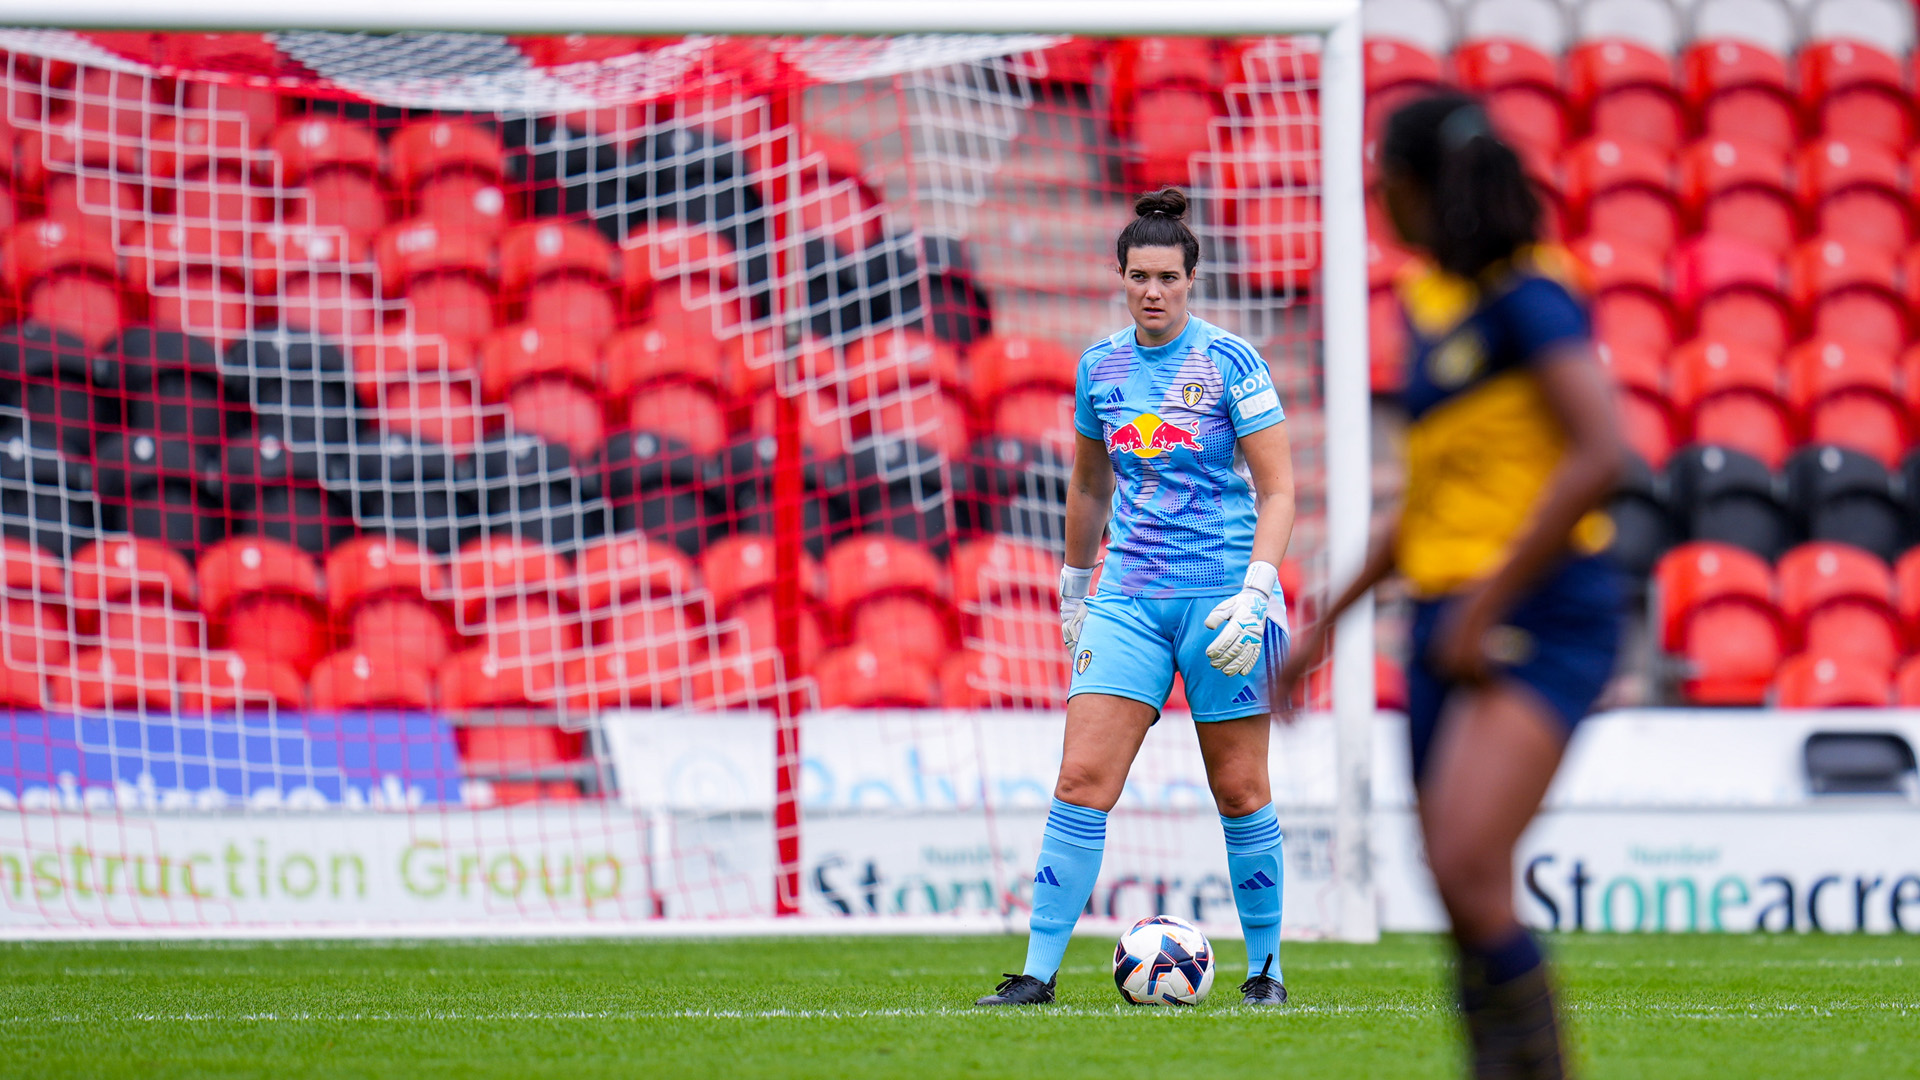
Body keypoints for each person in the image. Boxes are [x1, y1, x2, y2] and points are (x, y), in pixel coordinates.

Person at [1275, 92, 1624, 1077]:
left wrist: (1490, 600)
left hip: (1538, 609)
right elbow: (1428, 508)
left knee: (1470, 864)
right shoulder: (1434, 308)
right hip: (1447, 613)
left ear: (1411, 186)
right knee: (1457, 884)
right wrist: (1324, 629)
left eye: (1381, 184)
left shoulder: (1530, 296)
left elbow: (1602, 454)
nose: (1377, 201)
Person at [975, 187, 1297, 1008]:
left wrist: (1257, 593)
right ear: (1120, 277)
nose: (1153, 291)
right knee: (1081, 778)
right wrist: (1073, 587)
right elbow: (1090, 486)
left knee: (1240, 791)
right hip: (1128, 598)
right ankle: (1037, 974)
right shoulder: (1100, 368)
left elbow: (1280, 491)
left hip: (1223, 600)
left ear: (1191, 280)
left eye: (1167, 277)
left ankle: (1266, 972)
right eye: (1139, 276)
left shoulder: (1231, 362)